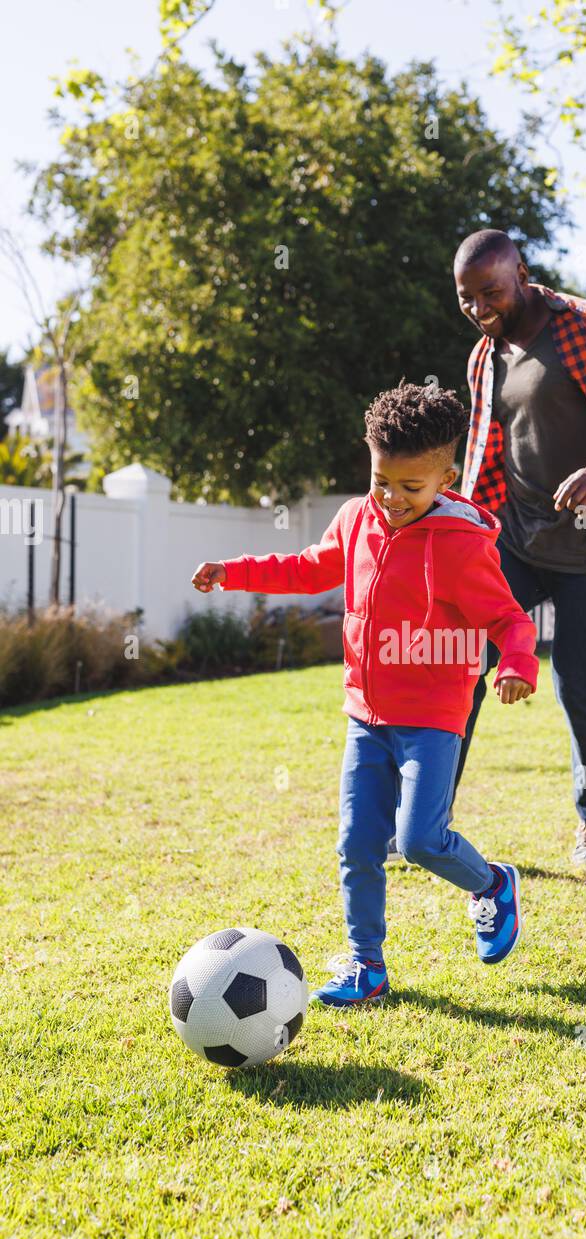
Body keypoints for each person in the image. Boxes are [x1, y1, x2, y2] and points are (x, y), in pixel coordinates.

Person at [191, 383, 539, 1005]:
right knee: (355, 844)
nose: (393, 498)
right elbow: (306, 567)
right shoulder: (356, 519)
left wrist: (517, 664)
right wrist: (235, 571)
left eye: (412, 486)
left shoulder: (461, 547)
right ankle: (366, 963)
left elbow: (510, 620)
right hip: (366, 714)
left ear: (445, 476)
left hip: (433, 718)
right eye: (383, 481)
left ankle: (490, 885)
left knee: (420, 841)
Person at [450, 228, 586, 867]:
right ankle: (428, 817)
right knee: (466, 664)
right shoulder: (482, 356)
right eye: (466, 298)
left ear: (521, 272)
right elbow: (481, 456)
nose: (478, 308)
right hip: (517, 540)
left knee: (577, 680)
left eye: (489, 292)